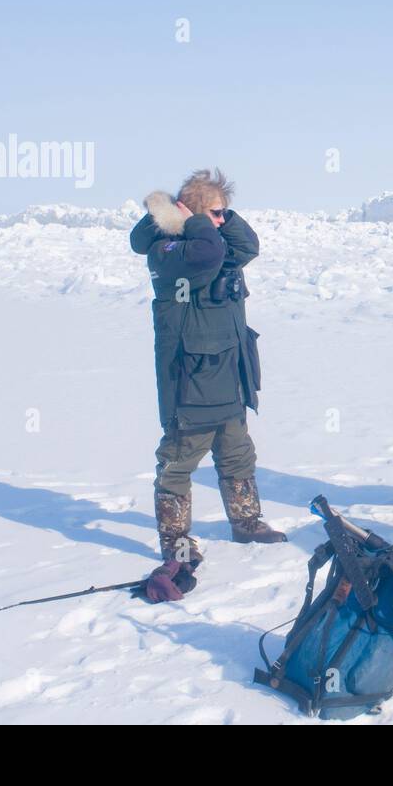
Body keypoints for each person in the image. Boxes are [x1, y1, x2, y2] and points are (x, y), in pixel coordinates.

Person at [129, 169, 286, 602]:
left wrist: (220, 215)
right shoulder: (170, 250)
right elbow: (205, 255)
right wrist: (193, 218)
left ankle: (246, 522)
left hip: (228, 374)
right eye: (217, 212)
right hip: (192, 382)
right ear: (196, 214)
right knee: (178, 462)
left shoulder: (213, 241)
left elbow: (247, 246)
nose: (223, 220)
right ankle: (177, 543)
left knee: (238, 452)